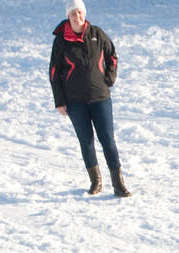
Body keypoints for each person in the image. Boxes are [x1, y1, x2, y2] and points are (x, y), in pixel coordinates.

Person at [50, 1, 131, 197]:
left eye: (79, 12)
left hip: (100, 97)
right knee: (86, 141)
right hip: (75, 101)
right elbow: (54, 72)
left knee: (108, 140)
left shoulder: (97, 34)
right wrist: (59, 101)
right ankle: (95, 182)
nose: (76, 16)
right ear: (68, 17)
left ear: (83, 14)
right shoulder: (61, 41)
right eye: (72, 14)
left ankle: (118, 184)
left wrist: (109, 79)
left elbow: (112, 56)